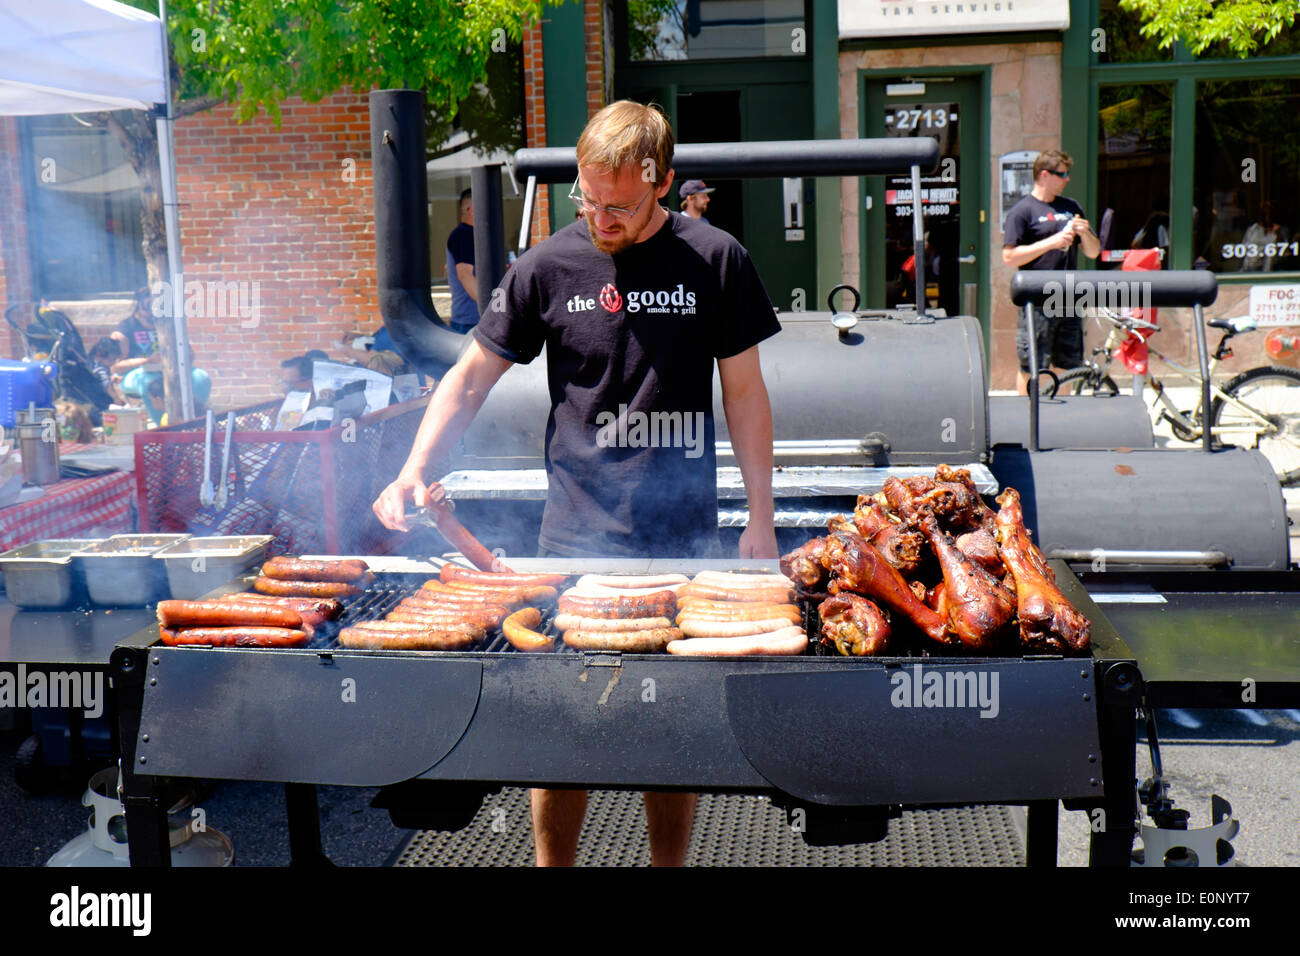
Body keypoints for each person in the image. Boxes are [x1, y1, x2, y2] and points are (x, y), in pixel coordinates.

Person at [372, 100, 780, 867]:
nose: (599, 217)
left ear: (661, 181)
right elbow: (467, 379)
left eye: (617, 204)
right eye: (586, 199)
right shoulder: (547, 266)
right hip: (570, 535)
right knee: (558, 732)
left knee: (667, 730)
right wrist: (412, 468)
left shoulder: (718, 258)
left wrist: (758, 516)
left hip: (679, 537)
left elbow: (747, 394)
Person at [1002, 150, 1100, 394]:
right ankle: (1025, 419)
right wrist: (1052, 242)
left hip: (1068, 296)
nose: (1067, 179)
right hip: (1036, 299)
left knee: (1068, 364)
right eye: (1062, 174)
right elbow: (1009, 257)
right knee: (1032, 363)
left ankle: (1062, 420)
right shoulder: (1022, 211)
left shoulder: (1071, 207)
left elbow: (1093, 252)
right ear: (1044, 175)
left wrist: (1084, 233)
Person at [446, 188, 478, 333]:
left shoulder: (471, 234)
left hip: (472, 320)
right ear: (471, 210)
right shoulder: (464, 235)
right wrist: (495, 307)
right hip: (470, 323)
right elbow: (465, 275)